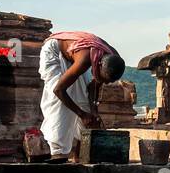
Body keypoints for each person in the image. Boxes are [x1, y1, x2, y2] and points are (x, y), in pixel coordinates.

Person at [38, 31, 125, 162]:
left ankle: (80, 154)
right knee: (58, 102)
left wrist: (93, 111)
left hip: (76, 56)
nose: (105, 83)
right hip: (55, 52)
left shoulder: (114, 60)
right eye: (104, 79)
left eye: (109, 82)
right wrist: (82, 114)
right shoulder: (85, 60)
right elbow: (59, 90)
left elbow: (91, 89)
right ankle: (58, 152)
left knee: (83, 101)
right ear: (99, 65)